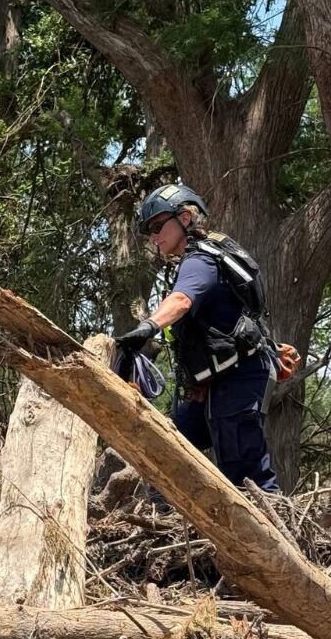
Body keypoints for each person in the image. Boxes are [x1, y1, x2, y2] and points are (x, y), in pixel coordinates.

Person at [116, 183, 293, 493]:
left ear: (185, 218)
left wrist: (146, 328)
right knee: (165, 450)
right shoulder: (213, 253)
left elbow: (181, 301)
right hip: (218, 384)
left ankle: (281, 537)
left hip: (237, 381)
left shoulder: (199, 260)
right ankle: (166, 524)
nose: (154, 237)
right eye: (149, 232)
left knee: (248, 479)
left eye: (158, 226)